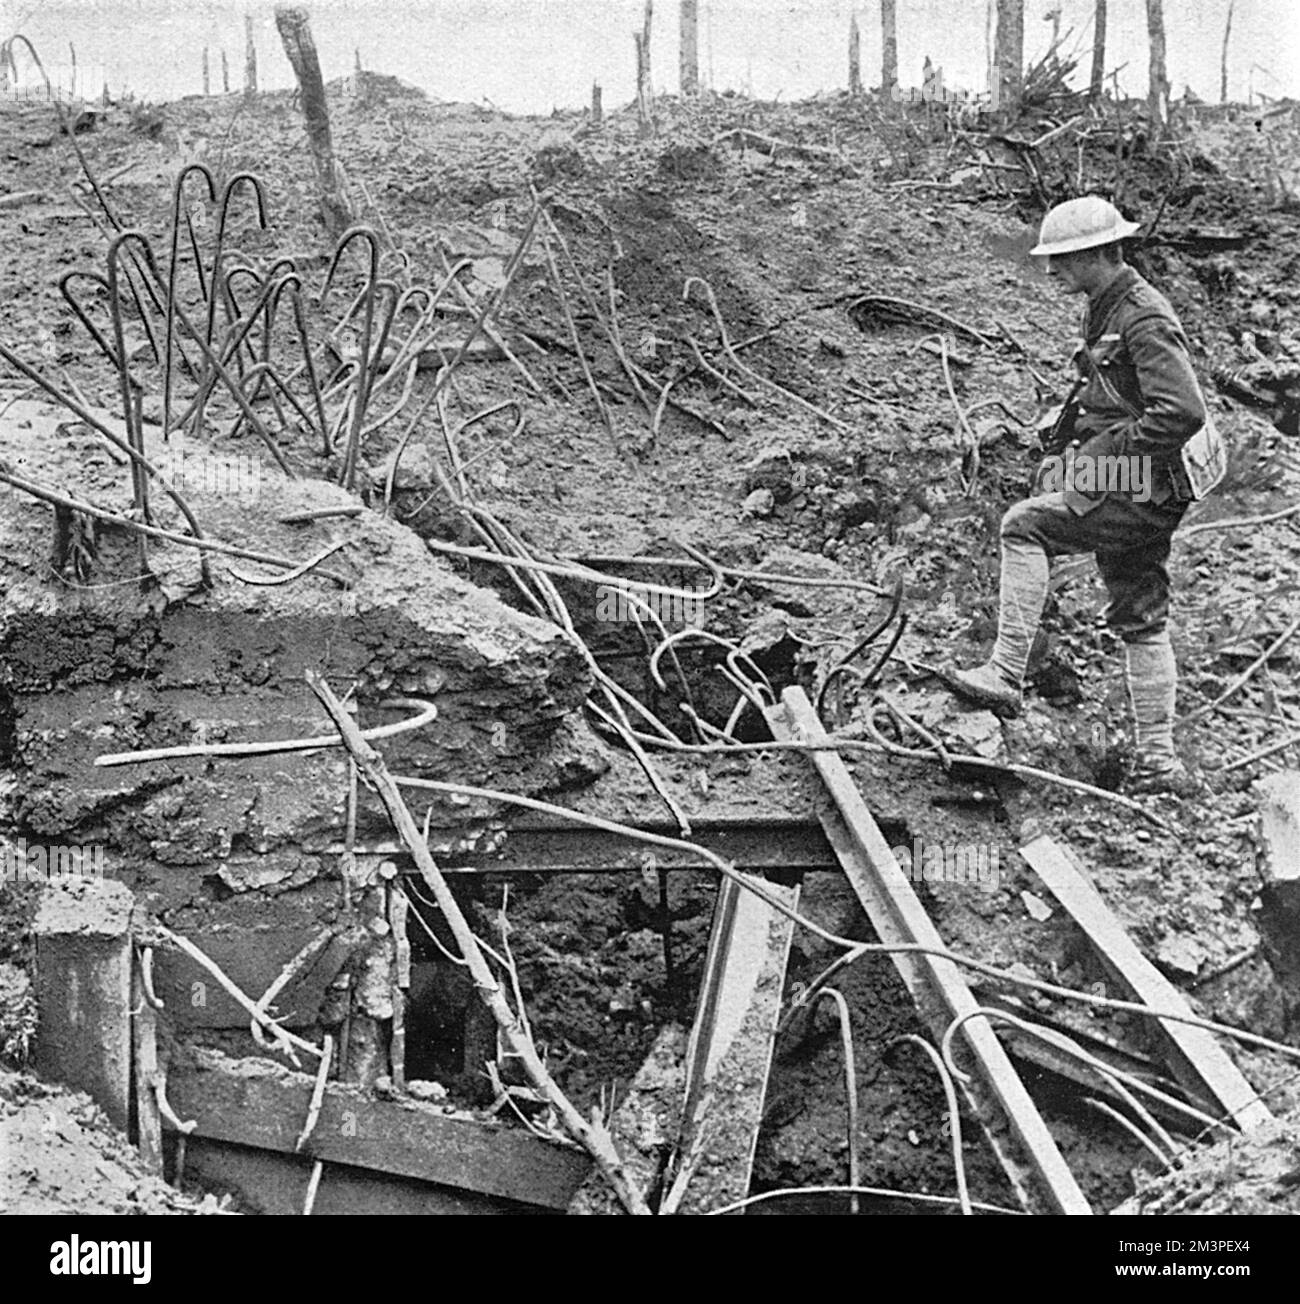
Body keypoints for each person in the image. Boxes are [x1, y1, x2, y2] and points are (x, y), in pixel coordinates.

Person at [942, 195, 1224, 794]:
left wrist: (1101, 456)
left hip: (1143, 482)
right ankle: (1158, 764)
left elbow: (1182, 412)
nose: (1053, 272)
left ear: (1098, 253)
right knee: (1140, 611)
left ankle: (1005, 672)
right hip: (1144, 478)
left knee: (1025, 525)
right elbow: (1111, 385)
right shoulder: (1107, 304)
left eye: (1064, 260)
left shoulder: (1142, 315)